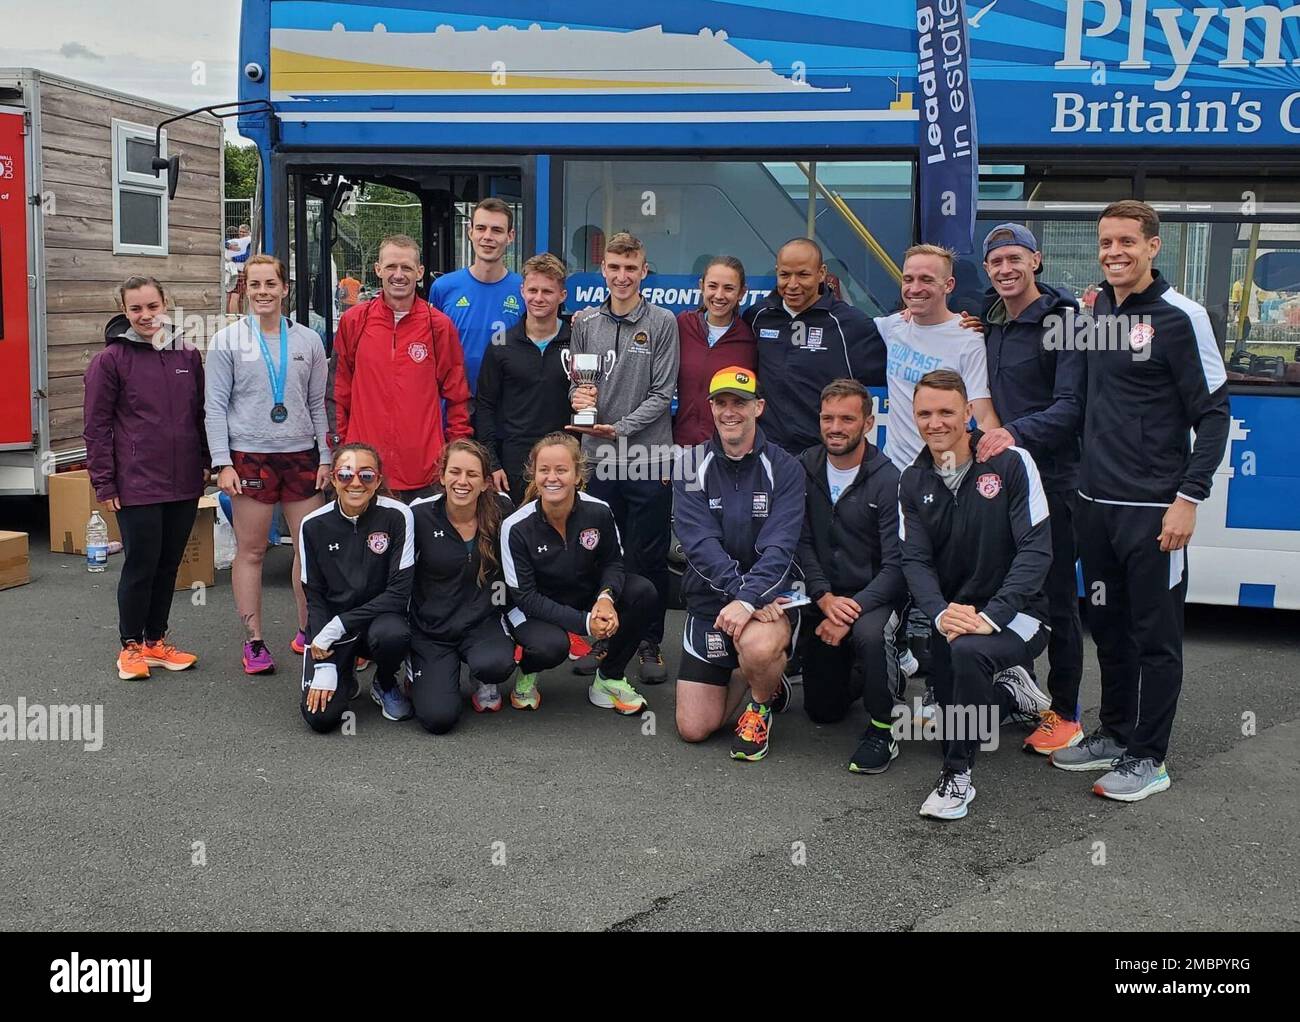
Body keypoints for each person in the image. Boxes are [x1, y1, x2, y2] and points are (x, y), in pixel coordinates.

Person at [1052, 200, 1230, 802]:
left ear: (1154, 246)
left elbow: (1213, 414)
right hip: (1095, 506)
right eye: (1105, 242)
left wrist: (1188, 497)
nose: (1114, 252)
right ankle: (1115, 733)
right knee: (1108, 626)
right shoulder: (1095, 309)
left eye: (1127, 241)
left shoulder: (1182, 317)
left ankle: (1149, 758)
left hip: (1155, 512)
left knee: (1156, 636)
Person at [899, 370, 1053, 821]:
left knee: (968, 659)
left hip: (1021, 615)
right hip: (956, 620)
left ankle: (957, 778)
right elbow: (915, 562)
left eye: (947, 411)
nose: (936, 422)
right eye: (925, 413)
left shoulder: (1011, 463)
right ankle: (1011, 694)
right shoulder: (912, 479)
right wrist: (940, 613)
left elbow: (1036, 550)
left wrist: (993, 616)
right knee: (952, 725)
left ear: (968, 413)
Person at [975, 224, 1087, 756]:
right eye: (996, 262)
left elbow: (1072, 406)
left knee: (1059, 598)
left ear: (1036, 261)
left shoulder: (1065, 322)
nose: (1005, 270)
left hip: (1057, 482)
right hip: (1006, 482)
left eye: (1015, 259)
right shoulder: (990, 319)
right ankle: (1021, 688)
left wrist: (1013, 433)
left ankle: (1066, 712)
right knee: (1006, 589)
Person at [207, 254, 331, 675]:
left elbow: (317, 404)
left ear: (284, 288)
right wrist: (221, 462)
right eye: (255, 284)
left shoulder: (309, 340)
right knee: (253, 550)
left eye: (270, 284)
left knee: (307, 549)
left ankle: (308, 631)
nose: (263, 292)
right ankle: (254, 641)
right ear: (245, 288)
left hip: (301, 455)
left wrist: (326, 456)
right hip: (250, 456)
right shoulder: (226, 341)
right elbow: (214, 408)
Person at [673, 367, 805, 762]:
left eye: (740, 403)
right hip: (714, 601)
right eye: (722, 403)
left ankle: (761, 703)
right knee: (694, 729)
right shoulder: (688, 465)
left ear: (758, 407)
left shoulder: (785, 467)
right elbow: (699, 546)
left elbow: (780, 546)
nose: (731, 412)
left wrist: (749, 599)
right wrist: (743, 595)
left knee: (758, 645)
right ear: (711, 408)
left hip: (769, 601)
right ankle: (755, 675)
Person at [568, 232, 679, 684]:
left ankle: (650, 642)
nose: (622, 276)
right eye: (614, 267)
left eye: (630, 268)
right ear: (604, 271)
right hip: (596, 459)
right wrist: (579, 398)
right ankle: (604, 634)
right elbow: (575, 383)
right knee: (601, 552)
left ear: (644, 271)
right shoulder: (585, 322)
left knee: (648, 556)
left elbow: (663, 392)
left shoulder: (663, 321)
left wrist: (622, 428)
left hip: (647, 457)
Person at [84, 276, 206, 680]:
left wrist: (205, 461)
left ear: (165, 303)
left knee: (169, 564)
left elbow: (200, 414)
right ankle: (130, 646)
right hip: (136, 483)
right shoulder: (110, 361)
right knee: (141, 564)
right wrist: (104, 482)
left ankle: (156, 641)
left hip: (184, 480)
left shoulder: (187, 355)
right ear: (124, 310)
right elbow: (96, 427)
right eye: (136, 309)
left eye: (152, 307)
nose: (146, 316)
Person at [500, 433, 657, 715]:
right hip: (534, 607)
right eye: (544, 470)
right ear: (533, 475)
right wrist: (586, 623)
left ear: (577, 475)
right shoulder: (515, 526)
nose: (552, 478)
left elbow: (613, 563)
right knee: (550, 647)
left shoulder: (599, 511)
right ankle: (528, 674)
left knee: (642, 592)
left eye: (561, 470)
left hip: (583, 594)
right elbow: (525, 597)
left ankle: (609, 678)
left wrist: (606, 598)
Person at [797, 379, 907, 773]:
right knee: (823, 713)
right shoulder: (804, 467)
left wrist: (851, 610)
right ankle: (872, 675)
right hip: (824, 597)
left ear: (868, 421)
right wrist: (824, 597)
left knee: (870, 636)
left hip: (874, 597)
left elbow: (898, 566)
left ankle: (884, 728)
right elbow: (801, 543)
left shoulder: (890, 478)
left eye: (847, 418)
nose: (836, 427)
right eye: (828, 418)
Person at [334, 234, 472, 500]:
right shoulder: (354, 322)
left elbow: (457, 396)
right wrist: (341, 445)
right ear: (378, 270)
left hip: (423, 470)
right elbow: (339, 391)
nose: (399, 275)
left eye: (407, 267)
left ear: (419, 272)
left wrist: (456, 449)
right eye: (391, 267)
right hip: (363, 469)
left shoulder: (438, 326)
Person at [299, 443, 415, 730]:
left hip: (379, 620)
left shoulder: (398, 515)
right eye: (345, 474)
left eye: (365, 475)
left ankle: (385, 682)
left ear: (377, 480)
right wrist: (325, 664)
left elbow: (399, 593)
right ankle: (343, 673)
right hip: (331, 629)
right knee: (321, 720)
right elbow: (314, 595)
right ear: (333, 479)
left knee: (394, 633)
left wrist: (340, 623)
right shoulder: (312, 524)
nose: (355, 483)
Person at [408, 440, 517, 729]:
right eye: (454, 472)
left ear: (484, 482)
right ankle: (419, 669)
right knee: (438, 719)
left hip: (481, 623)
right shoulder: (418, 515)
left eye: (472, 475)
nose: (462, 481)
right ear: (442, 476)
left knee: (496, 664)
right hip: (432, 629)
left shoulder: (503, 510)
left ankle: (481, 675)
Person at [743, 238, 886, 456]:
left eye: (803, 274)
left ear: (821, 273)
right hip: (768, 453)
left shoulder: (850, 325)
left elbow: (894, 372)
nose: (792, 284)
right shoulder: (757, 316)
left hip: (823, 457)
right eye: (784, 275)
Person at [878, 244, 1000, 472]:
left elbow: (984, 415)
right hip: (894, 473)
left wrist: (992, 472)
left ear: (949, 285)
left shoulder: (968, 338)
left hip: (945, 474)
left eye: (926, 279)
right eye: (908, 279)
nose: (915, 288)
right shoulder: (893, 326)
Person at [476, 252, 572, 501]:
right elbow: (485, 406)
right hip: (513, 462)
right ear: (522, 291)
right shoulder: (501, 343)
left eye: (547, 292)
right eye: (533, 290)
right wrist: (492, 463)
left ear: (562, 295)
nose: (538, 298)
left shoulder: (579, 340)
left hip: (564, 459)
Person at [429, 197, 524, 391]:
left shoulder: (524, 290)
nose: (487, 236)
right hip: (454, 403)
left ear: (510, 236)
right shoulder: (443, 287)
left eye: (497, 230)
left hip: (504, 406)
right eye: (481, 228)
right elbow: (432, 348)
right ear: (470, 232)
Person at [673, 256, 758, 448]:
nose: (719, 295)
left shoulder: (750, 338)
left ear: (742, 293)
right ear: (701, 286)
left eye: (728, 288)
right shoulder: (682, 325)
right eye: (712, 286)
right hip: (681, 448)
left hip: (729, 450)